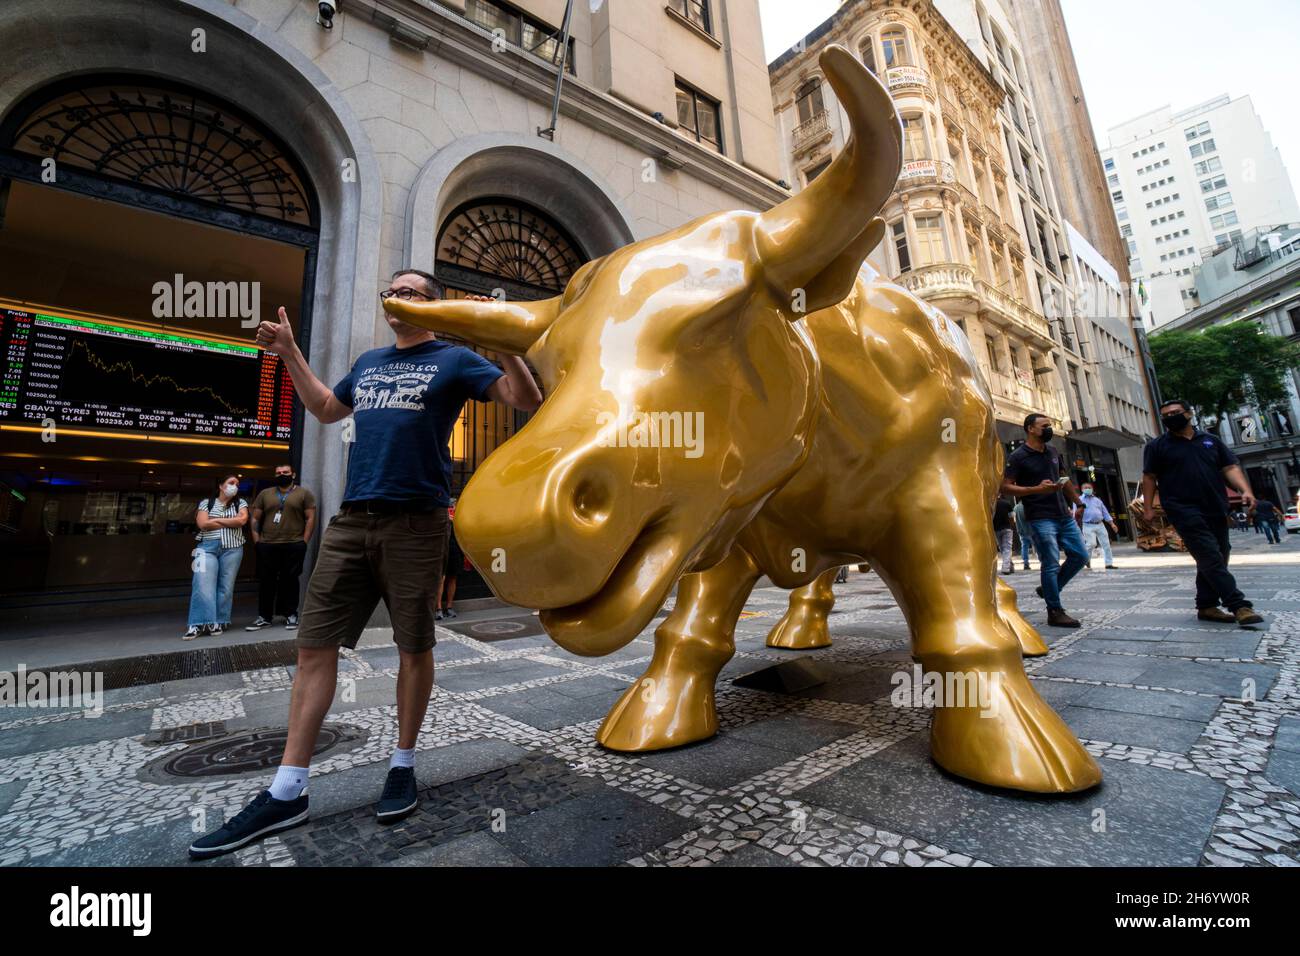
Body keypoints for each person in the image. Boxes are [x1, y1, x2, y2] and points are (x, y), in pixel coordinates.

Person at [190, 269, 543, 859]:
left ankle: (402, 763)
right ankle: (288, 787)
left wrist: (501, 336)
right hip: (352, 520)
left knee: (413, 644)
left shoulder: (453, 359)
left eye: (413, 293)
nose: (398, 299)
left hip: (416, 520)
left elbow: (524, 398)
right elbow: (328, 409)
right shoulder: (371, 361)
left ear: (434, 307)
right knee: (313, 645)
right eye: (393, 291)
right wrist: (291, 355)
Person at [1140, 399, 1263, 626]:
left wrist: (1245, 490)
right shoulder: (1157, 446)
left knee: (1219, 553)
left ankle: (1206, 605)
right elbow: (1149, 477)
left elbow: (1230, 467)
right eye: (1165, 415)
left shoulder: (1211, 441)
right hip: (1181, 509)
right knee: (1209, 555)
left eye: (1175, 412)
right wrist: (1148, 508)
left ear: (1189, 413)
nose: (1170, 417)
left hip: (1215, 506)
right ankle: (1239, 605)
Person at [1001, 413, 1089, 628]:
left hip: (1063, 514)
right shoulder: (1018, 456)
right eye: (1044, 426)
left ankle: (1050, 589)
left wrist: (1079, 502)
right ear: (1031, 429)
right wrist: (1036, 489)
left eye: (1050, 425)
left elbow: (1064, 478)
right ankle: (1055, 611)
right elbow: (1005, 486)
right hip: (1040, 516)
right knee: (1050, 563)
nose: (1049, 429)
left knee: (1080, 555)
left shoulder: (1052, 451)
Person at [246, 465, 317, 631]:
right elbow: (255, 518)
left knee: (290, 580)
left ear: (293, 474)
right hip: (267, 544)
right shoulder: (265, 494)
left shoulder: (304, 493)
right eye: (278, 473)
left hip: (293, 544)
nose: (281, 475)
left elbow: (310, 518)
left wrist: (304, 542)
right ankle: (264, 617)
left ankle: (290, 615)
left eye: (285, 472)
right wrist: (258, 542)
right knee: (266, 581)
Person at [185, 474, 249, 640]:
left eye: (237, 483)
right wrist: (229, 520)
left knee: (226, 587)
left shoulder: (240, 503)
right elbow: (203, 524)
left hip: (233, 548)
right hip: (207, 548)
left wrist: (216, 520)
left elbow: (242, 521)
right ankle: (197, 623)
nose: (235, 486)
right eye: (231, 483)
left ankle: (218, 621)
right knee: (202, 583)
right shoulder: (207, 503)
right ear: (221, 486)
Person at [1078, 482, 1119, 570]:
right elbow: (1075, 513)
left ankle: (1109, 564)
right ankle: (1086, 559)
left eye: (1089, 487)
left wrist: (1112, 524)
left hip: (1100, 524)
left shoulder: (1097, 500)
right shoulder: (1078, 500)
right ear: (1082, 490)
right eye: (1085, 487)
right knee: (1091, 544)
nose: (1088, 489)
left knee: (1106, 544)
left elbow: (1105, 513)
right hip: (1087, 525)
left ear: (1092, 489)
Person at [437, 501, 464, 620]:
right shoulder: (439, 509)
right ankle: (438, 608)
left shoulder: (459, 515)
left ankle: (449, 606)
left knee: (452, 577)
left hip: (454, 548)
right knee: (441, 578)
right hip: (441, 548)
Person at [993, 496, 1015, 574]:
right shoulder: (1007, 503)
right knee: (1007, 548)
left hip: (996, 529)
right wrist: (1012, 527)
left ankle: (1010, 566)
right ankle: (1006, 568)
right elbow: (1012, 517)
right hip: (1007, 528)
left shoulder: (991, 505)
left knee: (1002, 548)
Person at [1013, 499, 1034, 570]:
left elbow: (1014, 520)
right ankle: (1042, 561)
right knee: (1037, 546)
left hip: (1021, 531)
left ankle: (1026, 563)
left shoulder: (1015, 508)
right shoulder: (1026, 506)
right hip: (1030, 530)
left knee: (1024, 547)